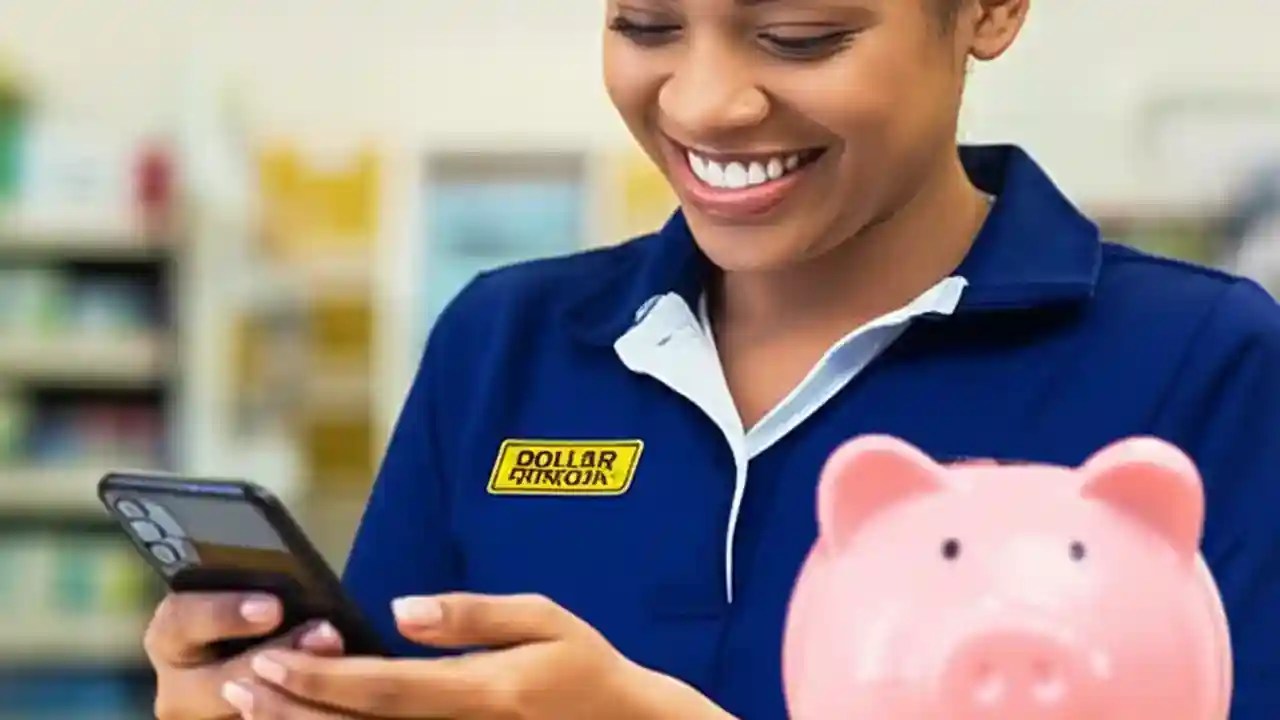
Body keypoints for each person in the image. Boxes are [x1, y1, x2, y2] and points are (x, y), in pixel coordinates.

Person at [143, 0, 1280, 717]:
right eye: (643, 26)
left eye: (799, 37)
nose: (703, 101)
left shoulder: (1199, 364)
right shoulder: (503, 341)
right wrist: (251, 698)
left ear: (987, 9)